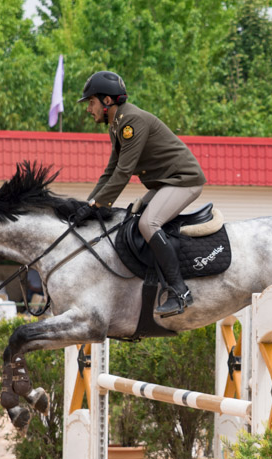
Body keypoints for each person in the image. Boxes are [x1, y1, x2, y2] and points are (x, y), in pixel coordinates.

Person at [74, 70, 207, 317]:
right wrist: (89, 203)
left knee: (149, 223)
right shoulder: (116, 125)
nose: (88, 109)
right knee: (132, 219)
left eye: (91, 102)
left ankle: (180, 291)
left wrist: (98, 205)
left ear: (107, 101)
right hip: (166, 184)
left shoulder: (130, 122)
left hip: (184, 181)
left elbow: (123, 172)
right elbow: (110, 170)